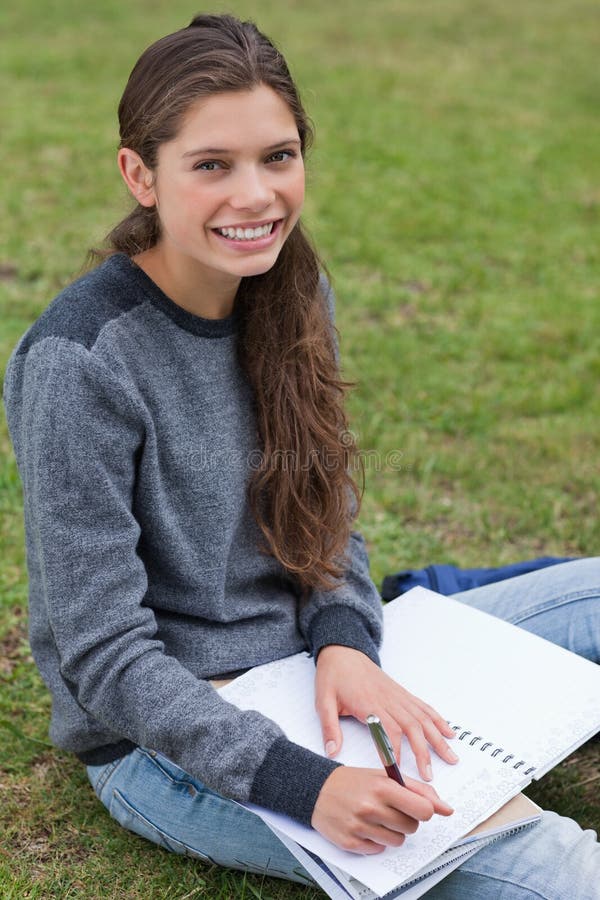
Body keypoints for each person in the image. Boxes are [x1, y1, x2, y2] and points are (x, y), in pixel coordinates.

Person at [3, 13, 599, 899]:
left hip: (331, 665)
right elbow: (102, 656)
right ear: (140, 174)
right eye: (212, 165)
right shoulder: (80, 363)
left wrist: (345, 639)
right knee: (563, 871)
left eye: (278, 157)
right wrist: (304, 786)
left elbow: (323, 510)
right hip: (177, 740)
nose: (256, 196)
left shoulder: (292, 286)